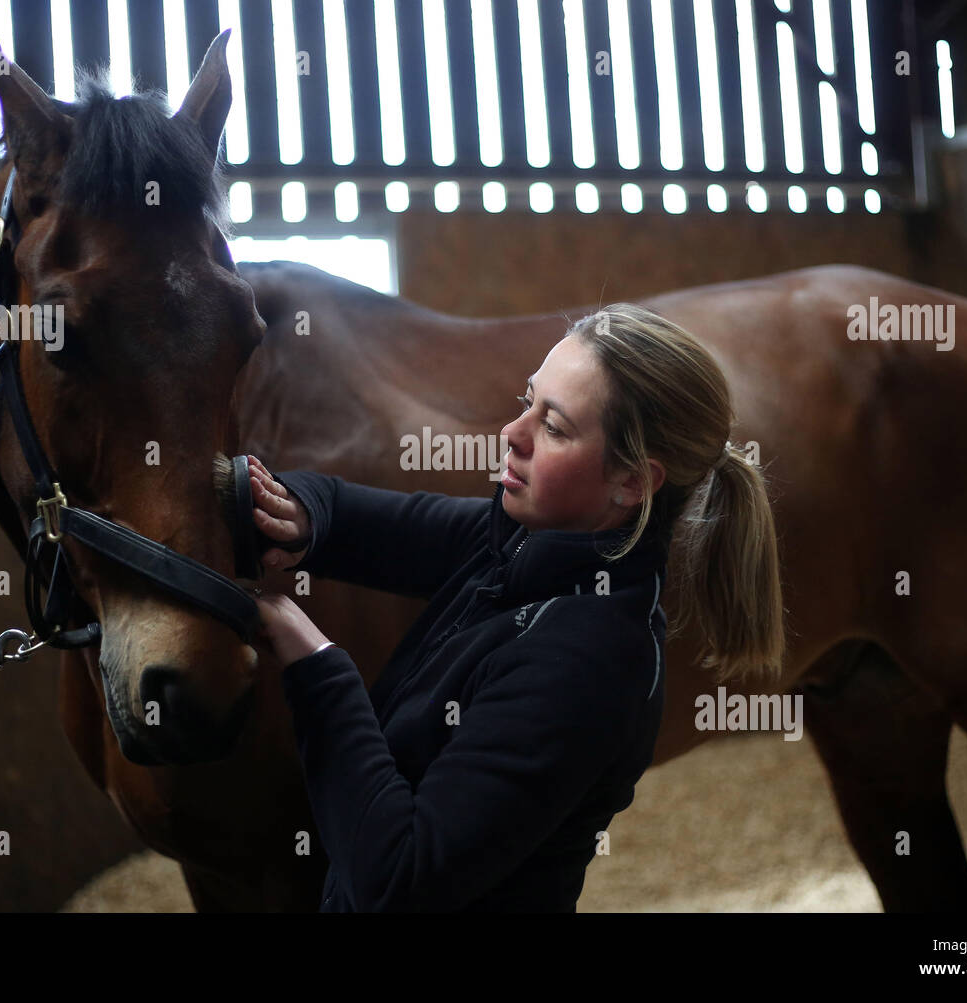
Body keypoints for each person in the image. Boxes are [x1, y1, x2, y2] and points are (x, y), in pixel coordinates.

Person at [248, 302, 785, 912]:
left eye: (553, 427)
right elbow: (354, 516)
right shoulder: (516, 539)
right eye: (528, 401)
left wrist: (318, 668)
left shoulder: (589, 661)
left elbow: (397, 878)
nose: (513, 434)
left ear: (633, 483)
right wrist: (298, 512)